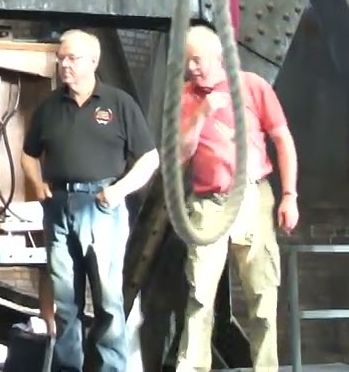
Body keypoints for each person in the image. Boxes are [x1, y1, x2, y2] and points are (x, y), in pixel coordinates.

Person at [21, 29, 159, 371]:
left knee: (107, 301)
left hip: (102, 208)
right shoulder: (49, 107)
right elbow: (28, 154)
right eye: (61, 58)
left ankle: (109, 368)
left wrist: (119, 190)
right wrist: (37, 184)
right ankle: (68, 367)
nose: (64, 65)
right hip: (59, 207)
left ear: (93, 62)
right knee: (65, 301)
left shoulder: (118, 103)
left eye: (72, 58)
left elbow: (150, 158)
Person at [175, 24, 299, 371]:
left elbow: (283, 140)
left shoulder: (252, 86)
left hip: (253, 197)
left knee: (263, 295)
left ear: (218, 56)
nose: (191, 68)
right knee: (200, 296)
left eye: (196, 60)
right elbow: (180, 154)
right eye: (186, 61)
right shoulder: (185, 97)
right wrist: (202, 113)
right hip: (209, 204)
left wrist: (289, 195)